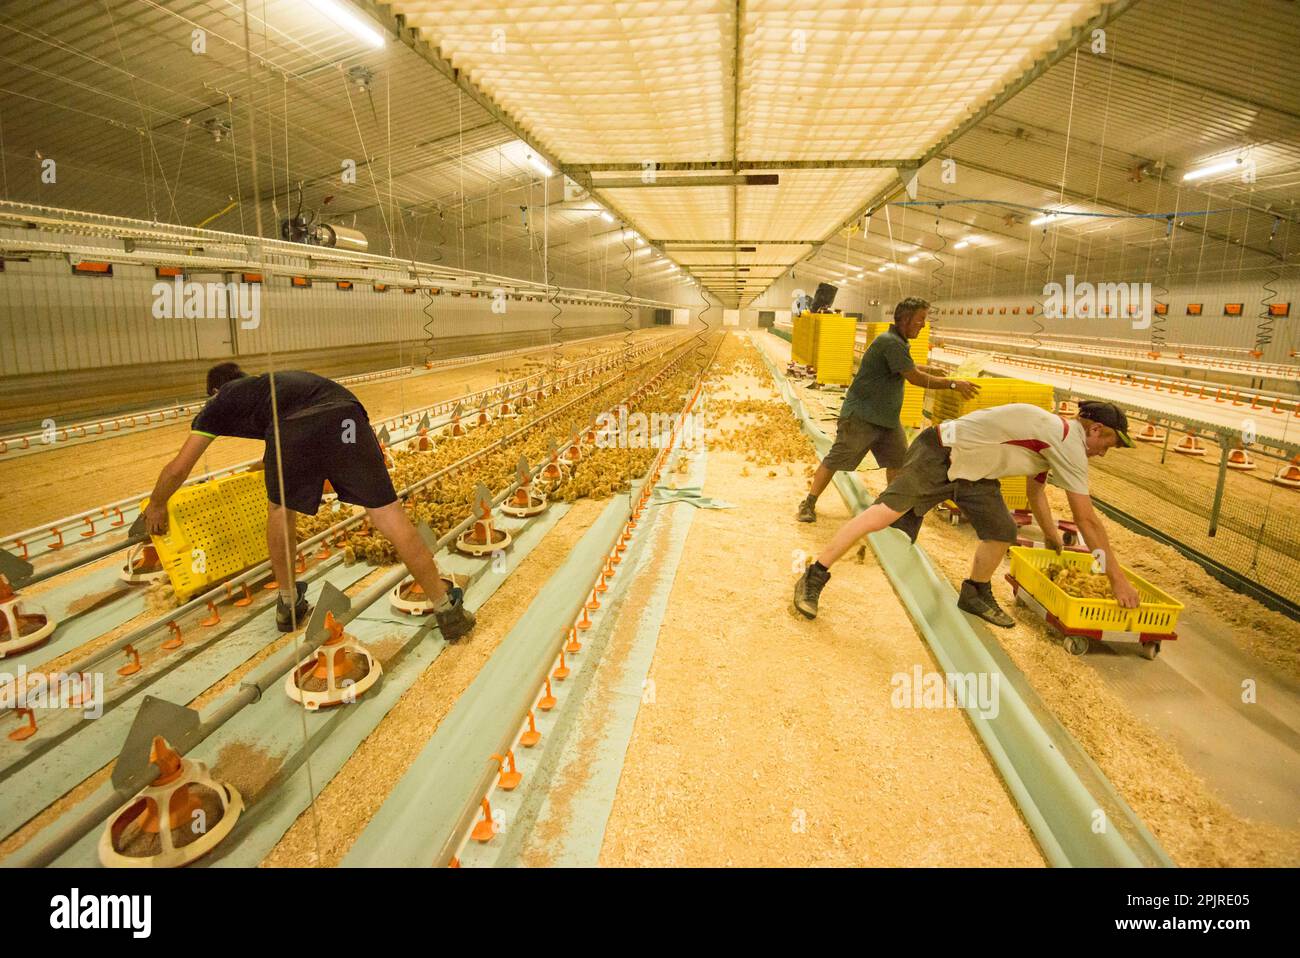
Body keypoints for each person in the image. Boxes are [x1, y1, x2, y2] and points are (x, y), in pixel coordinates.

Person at [144, 363, 475, 639]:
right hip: (347, 417)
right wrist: (272, 462)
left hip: (293, 430)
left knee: (279, 509)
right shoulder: (273, 384)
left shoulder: (222, 400)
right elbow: (296, 425)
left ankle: (288, 604)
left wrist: (157, 504)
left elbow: (178, 469)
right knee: (387, 513)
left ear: (214, 391)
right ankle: (446, 609)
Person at [793, 399, 1142, 627]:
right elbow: (1087, 520)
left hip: (974, 472)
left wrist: (1051, 536)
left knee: (1002, 529)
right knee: (880, 516)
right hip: (940, 453)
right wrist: (1117, 579)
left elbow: (1036, 490)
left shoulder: (1055, 437)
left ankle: (974, 592)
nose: (1103, 453)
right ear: (1095, 429)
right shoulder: (1067, 440)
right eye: (1107, 444)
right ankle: (814, 575)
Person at [797, 296, 978, 523]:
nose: (923, 325)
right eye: (920, 320)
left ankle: (889, 510)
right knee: (836, 459)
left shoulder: (897, 342)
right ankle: (809, 503)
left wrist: (926, 368)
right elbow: (914, 378)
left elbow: (903, 366)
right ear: (905, 319)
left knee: (897, 462)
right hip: (862, 416)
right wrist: (952, 384)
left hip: (887, 420)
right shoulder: (890, 341)